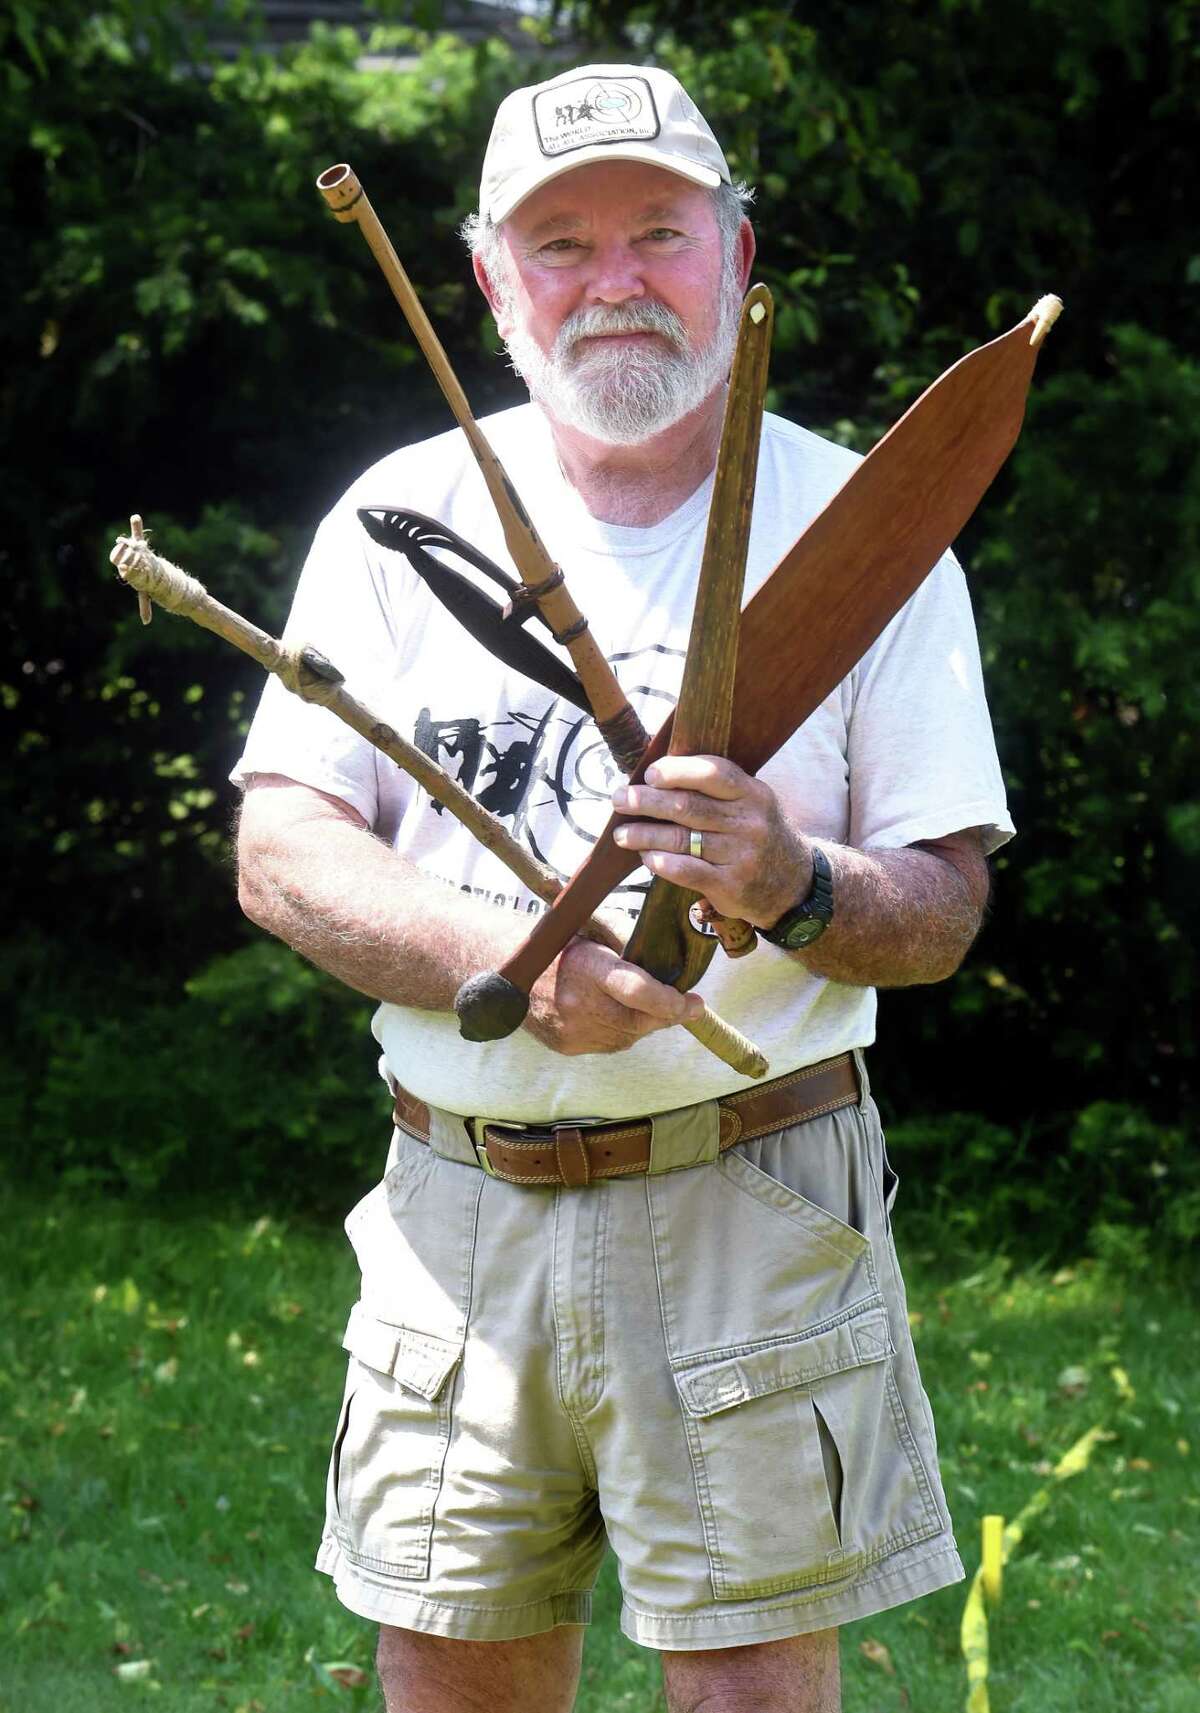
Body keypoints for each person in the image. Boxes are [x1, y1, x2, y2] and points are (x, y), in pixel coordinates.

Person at [233, 61, 1011, 1713]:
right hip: (459, 1202)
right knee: (451, 1679)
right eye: (563, 242)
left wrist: (796, 882)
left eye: (659, 230)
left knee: (751, 1692)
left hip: (754, 1190)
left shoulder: (870, 537)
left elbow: (942, 911)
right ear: (490, 283)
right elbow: (283, 850)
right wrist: (499, 960)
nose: (615, 278)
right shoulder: (395, 520)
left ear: (734, 255)